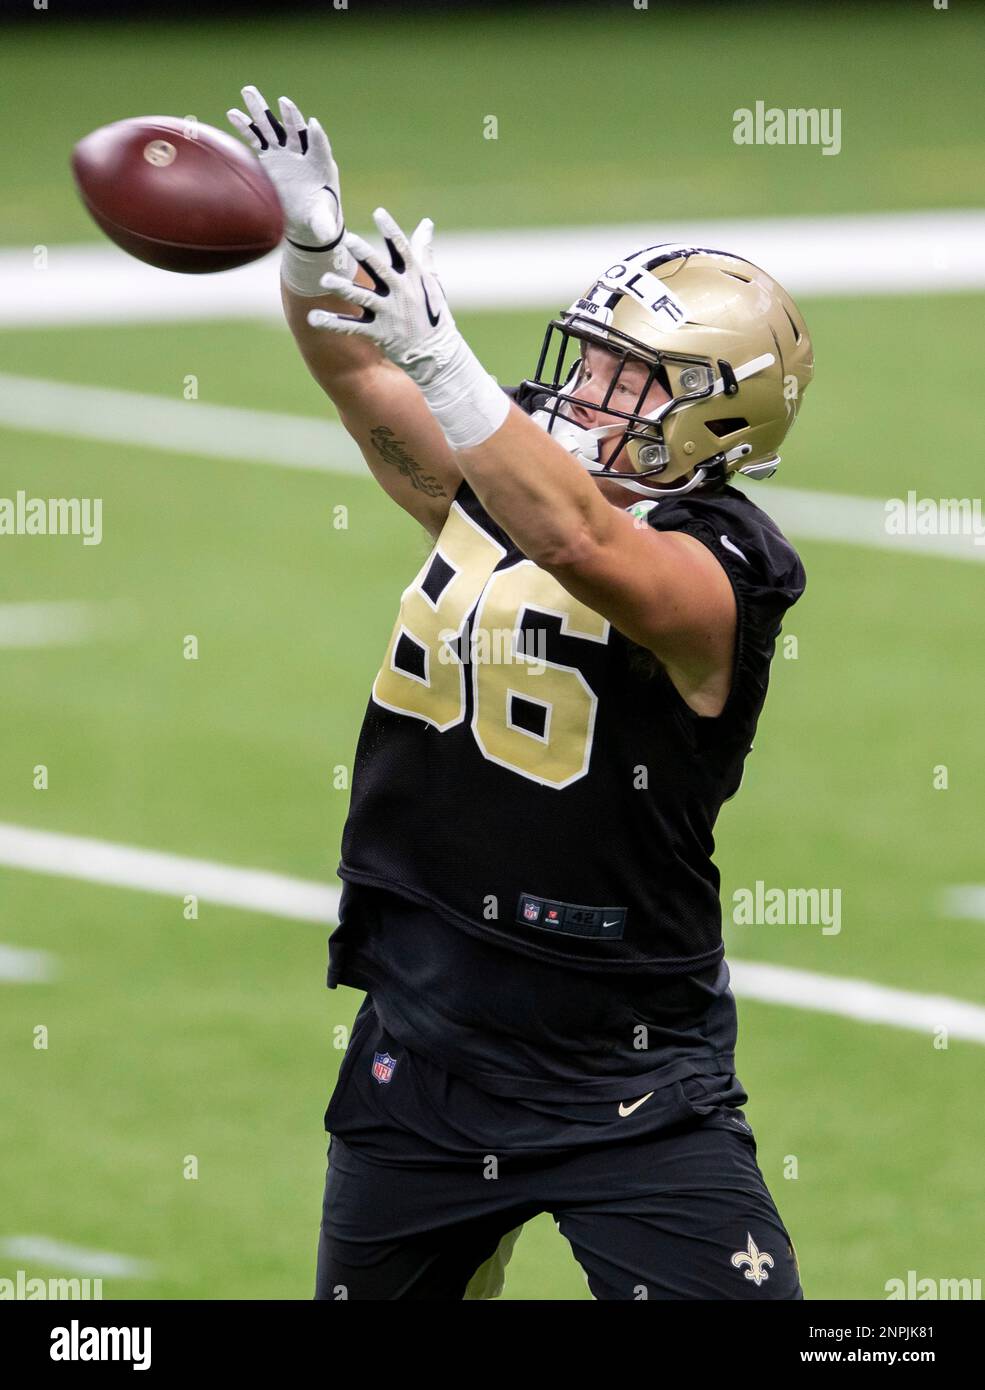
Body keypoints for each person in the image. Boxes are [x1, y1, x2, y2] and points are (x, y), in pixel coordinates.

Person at [228, 86, 814, 1301]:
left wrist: (444, 358)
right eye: (591, 357)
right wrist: (311, 253)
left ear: (713, 418)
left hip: (630, 1075)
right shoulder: (507, 485)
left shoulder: (724, 569)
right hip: (427, 1039)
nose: (585, 387)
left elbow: (592, 549)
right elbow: (360, 384)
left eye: (624, 375)